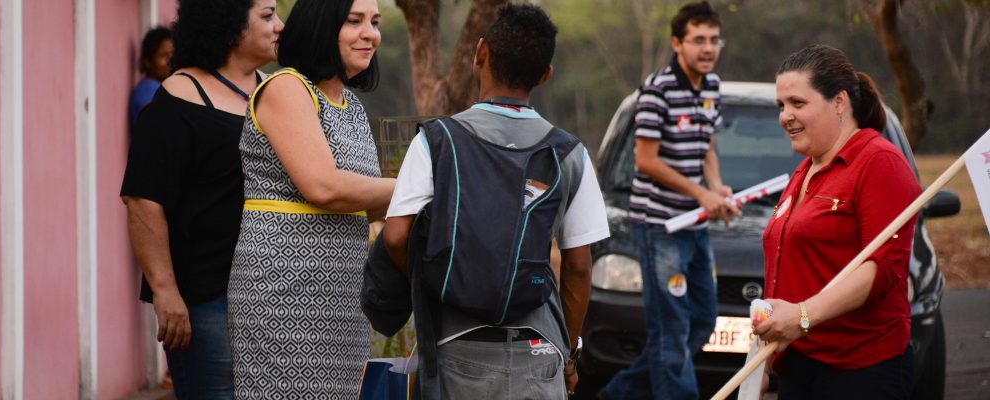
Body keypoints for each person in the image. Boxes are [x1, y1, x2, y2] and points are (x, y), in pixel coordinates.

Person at [382, 4, 610, 399]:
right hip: (537, 352)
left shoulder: (437, 141)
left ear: (480, 52)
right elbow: (579, 267)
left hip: (456, 347)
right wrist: (567, 353)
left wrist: (438, 285)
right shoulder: (570, 154)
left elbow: (397, 236)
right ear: (545, 76)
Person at [226, 0, 394, 397]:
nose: (370, 33)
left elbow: (368, 200)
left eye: (374, 22)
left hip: (343, 298)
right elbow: (323, 187)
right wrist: (421, 188)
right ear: (321, 25)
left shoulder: (350, 105)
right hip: (285, 293)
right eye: (354, 22)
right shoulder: (287, 87)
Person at [120, 0, 283, 398]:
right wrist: (165, 289)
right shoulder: (179, 95)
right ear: (227, 23)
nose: (280, 25)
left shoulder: (276, 92)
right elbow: (143, 199)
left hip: (270, 291)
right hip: (208, 296)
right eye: (267, 15)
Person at [753, 44, 921, 399]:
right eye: (782, 106)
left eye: (798, 103)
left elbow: (880, 268)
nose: (785, 116)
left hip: (861, 370)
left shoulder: (879, 162)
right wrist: (762, 364)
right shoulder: (805, 170)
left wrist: (801, 317)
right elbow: (789, 271)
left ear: (839, 102)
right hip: (800, 367)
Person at [602, 2, 738, 399]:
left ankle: (621, 392)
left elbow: (707, 147)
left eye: (714, 40)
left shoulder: (711, 86)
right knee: (673, 327)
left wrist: (718, 187)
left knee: (703, 320)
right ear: (677, 43)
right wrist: (701, 193)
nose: (708, 48)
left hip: (695, 225)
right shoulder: (657, 91)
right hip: (659, 227)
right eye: (698, 40)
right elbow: (645, 161)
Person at [130, 26, 173, 125]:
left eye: (172, 55)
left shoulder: (161, 89)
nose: (170, 61)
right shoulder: (148, 92)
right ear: (148, 60)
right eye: (163, 55)